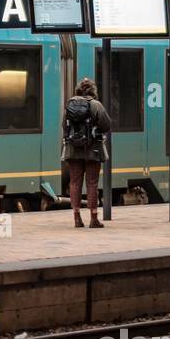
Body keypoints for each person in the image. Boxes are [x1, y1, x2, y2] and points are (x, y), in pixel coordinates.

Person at [62, 77, 112, 228]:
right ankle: (93, 218)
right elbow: (106, 125)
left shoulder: (70, 104)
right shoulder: (96, 105)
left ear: (78, 90)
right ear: (93, 91)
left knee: (75, 182)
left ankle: (77, 217)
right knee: (92, 183)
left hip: (73, 149)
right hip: (93, 150)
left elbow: (64, 125)